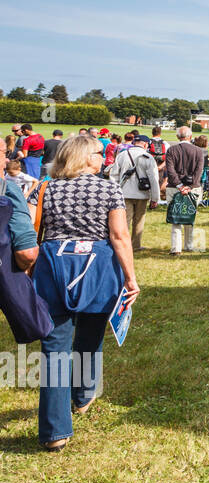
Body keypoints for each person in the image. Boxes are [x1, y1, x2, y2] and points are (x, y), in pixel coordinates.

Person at [27, 135, 139, 451]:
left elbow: (28, 232)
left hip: (53, 266)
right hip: (98, 266)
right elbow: (119, 236)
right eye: (99, 153)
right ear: (85, 157)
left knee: (54, 346)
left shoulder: (42, 187)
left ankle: (55, 431)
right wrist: (130, 277)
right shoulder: (108, 189)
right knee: (90, 337)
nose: (103, 157)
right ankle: (82, 396)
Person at [107, 131, 159, 251]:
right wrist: (155, 198)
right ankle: (135, 245)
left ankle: (121, 244)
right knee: (139, 220)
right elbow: (154, 179)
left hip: (124, 192)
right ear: (146, 144)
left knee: (125, 220)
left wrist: (114, 192)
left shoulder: (122, 155)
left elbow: (114, 175)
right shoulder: (148, 157)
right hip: (142, 193)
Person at [164, 126, 206, 256]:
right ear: (191, 136)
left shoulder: (172, 150)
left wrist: (179, 185)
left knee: (176, 217)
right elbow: (199, 171)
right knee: (189, 215)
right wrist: (191, 185)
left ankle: (176, 247)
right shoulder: (198, 151)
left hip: (174, 187)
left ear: (178, 136)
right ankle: (189, 245)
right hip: (193, 188)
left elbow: (170, 170)